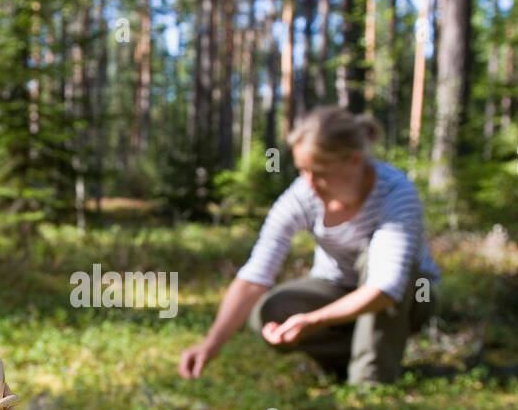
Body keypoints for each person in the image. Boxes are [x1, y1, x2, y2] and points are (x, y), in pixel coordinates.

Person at [178, 106, 440, 386]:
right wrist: (211, 344)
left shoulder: (396, 192)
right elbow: (255, 275)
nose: (310, 183)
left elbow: (386, 286)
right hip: (335, 287)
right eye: (303, 170)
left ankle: (371, 383)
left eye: (320, 172)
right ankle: (357, 357)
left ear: (354, 160)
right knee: (269, 312)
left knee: (374, 262)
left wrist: (313, 321)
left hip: (409, 299)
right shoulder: (302, 195)